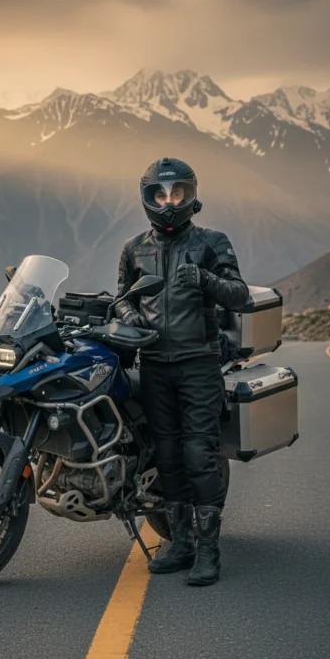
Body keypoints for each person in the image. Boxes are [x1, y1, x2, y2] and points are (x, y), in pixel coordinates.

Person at [115, 157, 249, 586]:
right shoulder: (134, 248)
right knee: (167, 456)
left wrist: (206, 279)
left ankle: (209, 551)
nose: (168, 201)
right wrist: (128, 317)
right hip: (154, 364)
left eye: (176, 193)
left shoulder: (212, 242)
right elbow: (121, 298)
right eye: (160, 193)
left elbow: (240, 296)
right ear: (148, 197)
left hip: (198, 364)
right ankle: (181, 543)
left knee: (198, 455)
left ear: (190, 195)